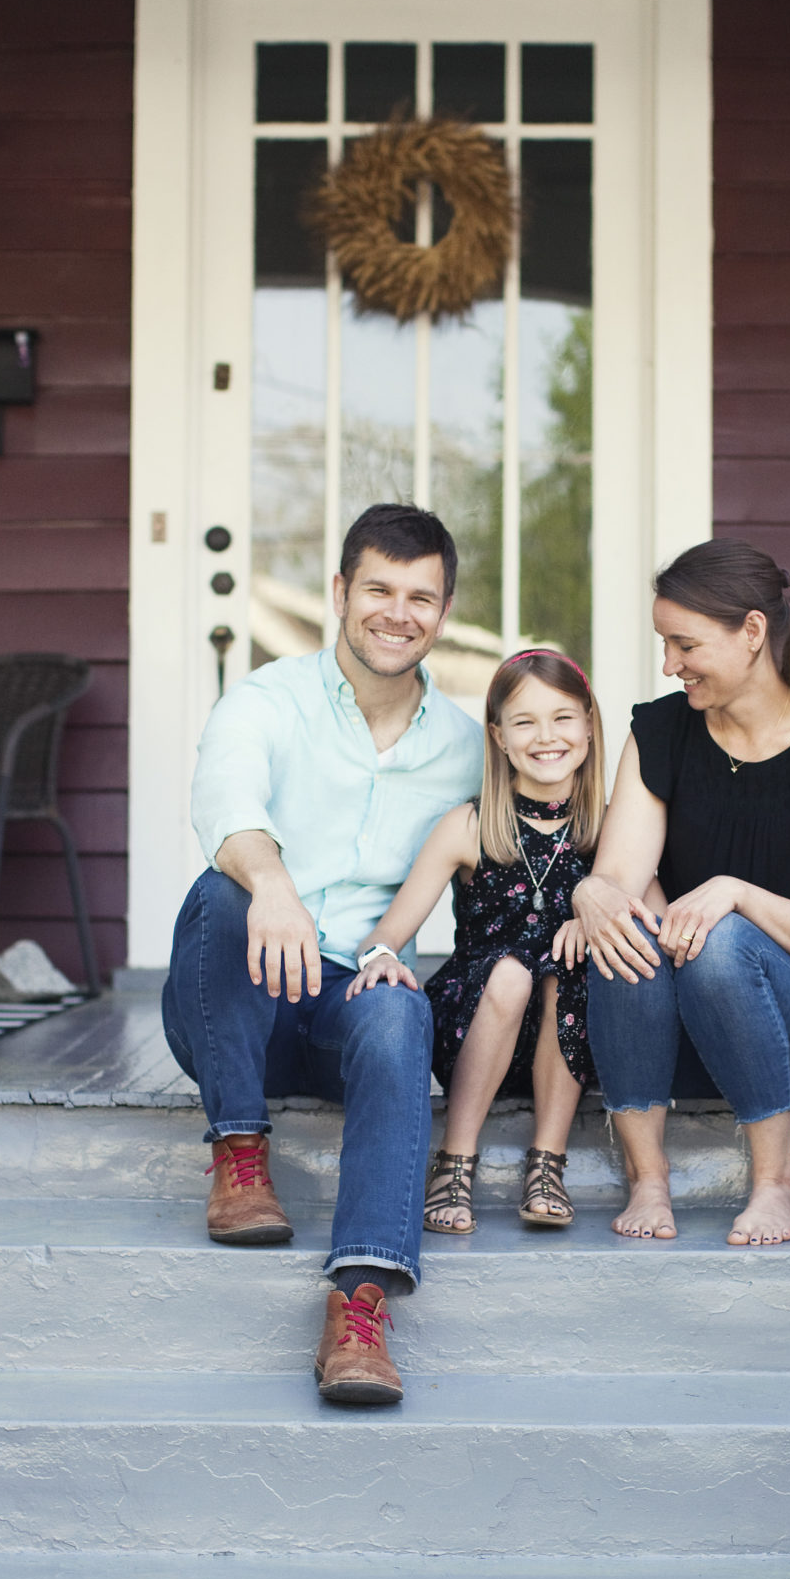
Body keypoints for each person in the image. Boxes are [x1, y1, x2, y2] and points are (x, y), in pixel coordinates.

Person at [159, 504, 485, 1406]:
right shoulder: (268, 699)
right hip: (241, 1004)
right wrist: (271, 880)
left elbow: (534, 835)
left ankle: (361, 1305)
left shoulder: (464, 747)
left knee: (400, 1005)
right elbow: (225, 799)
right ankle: (239, 1152)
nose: (398, 611)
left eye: (421, 596)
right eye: (379, 588)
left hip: (352, 1010)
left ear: (445, 610)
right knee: (223, 893)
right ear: (340, 593)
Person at [571, 540, 790, 1248]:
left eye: (685, 644)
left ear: (752, 631)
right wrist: (593, 890)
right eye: (664, 643)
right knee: (620, 928)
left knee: (719, 943)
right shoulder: (661, 731)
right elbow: (621, 874)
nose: (669, 664)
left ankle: (778, 1184)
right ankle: (648, 1178)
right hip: (684, 1030)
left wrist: (735, 893)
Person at [348, 648, 606, 1234]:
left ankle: (547, 1163)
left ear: (589, 725)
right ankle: (454, 1161)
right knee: (515, 970)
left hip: (566, 1036)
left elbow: (651, 916)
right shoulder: (470, 825)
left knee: (565, 968)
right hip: (476, 1026)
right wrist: (382, 958)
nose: (547, 737)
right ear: (499, 737)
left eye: (563, 718)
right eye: (524, 722)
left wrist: (598, 919)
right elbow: (386, 933)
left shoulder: (608, 830)